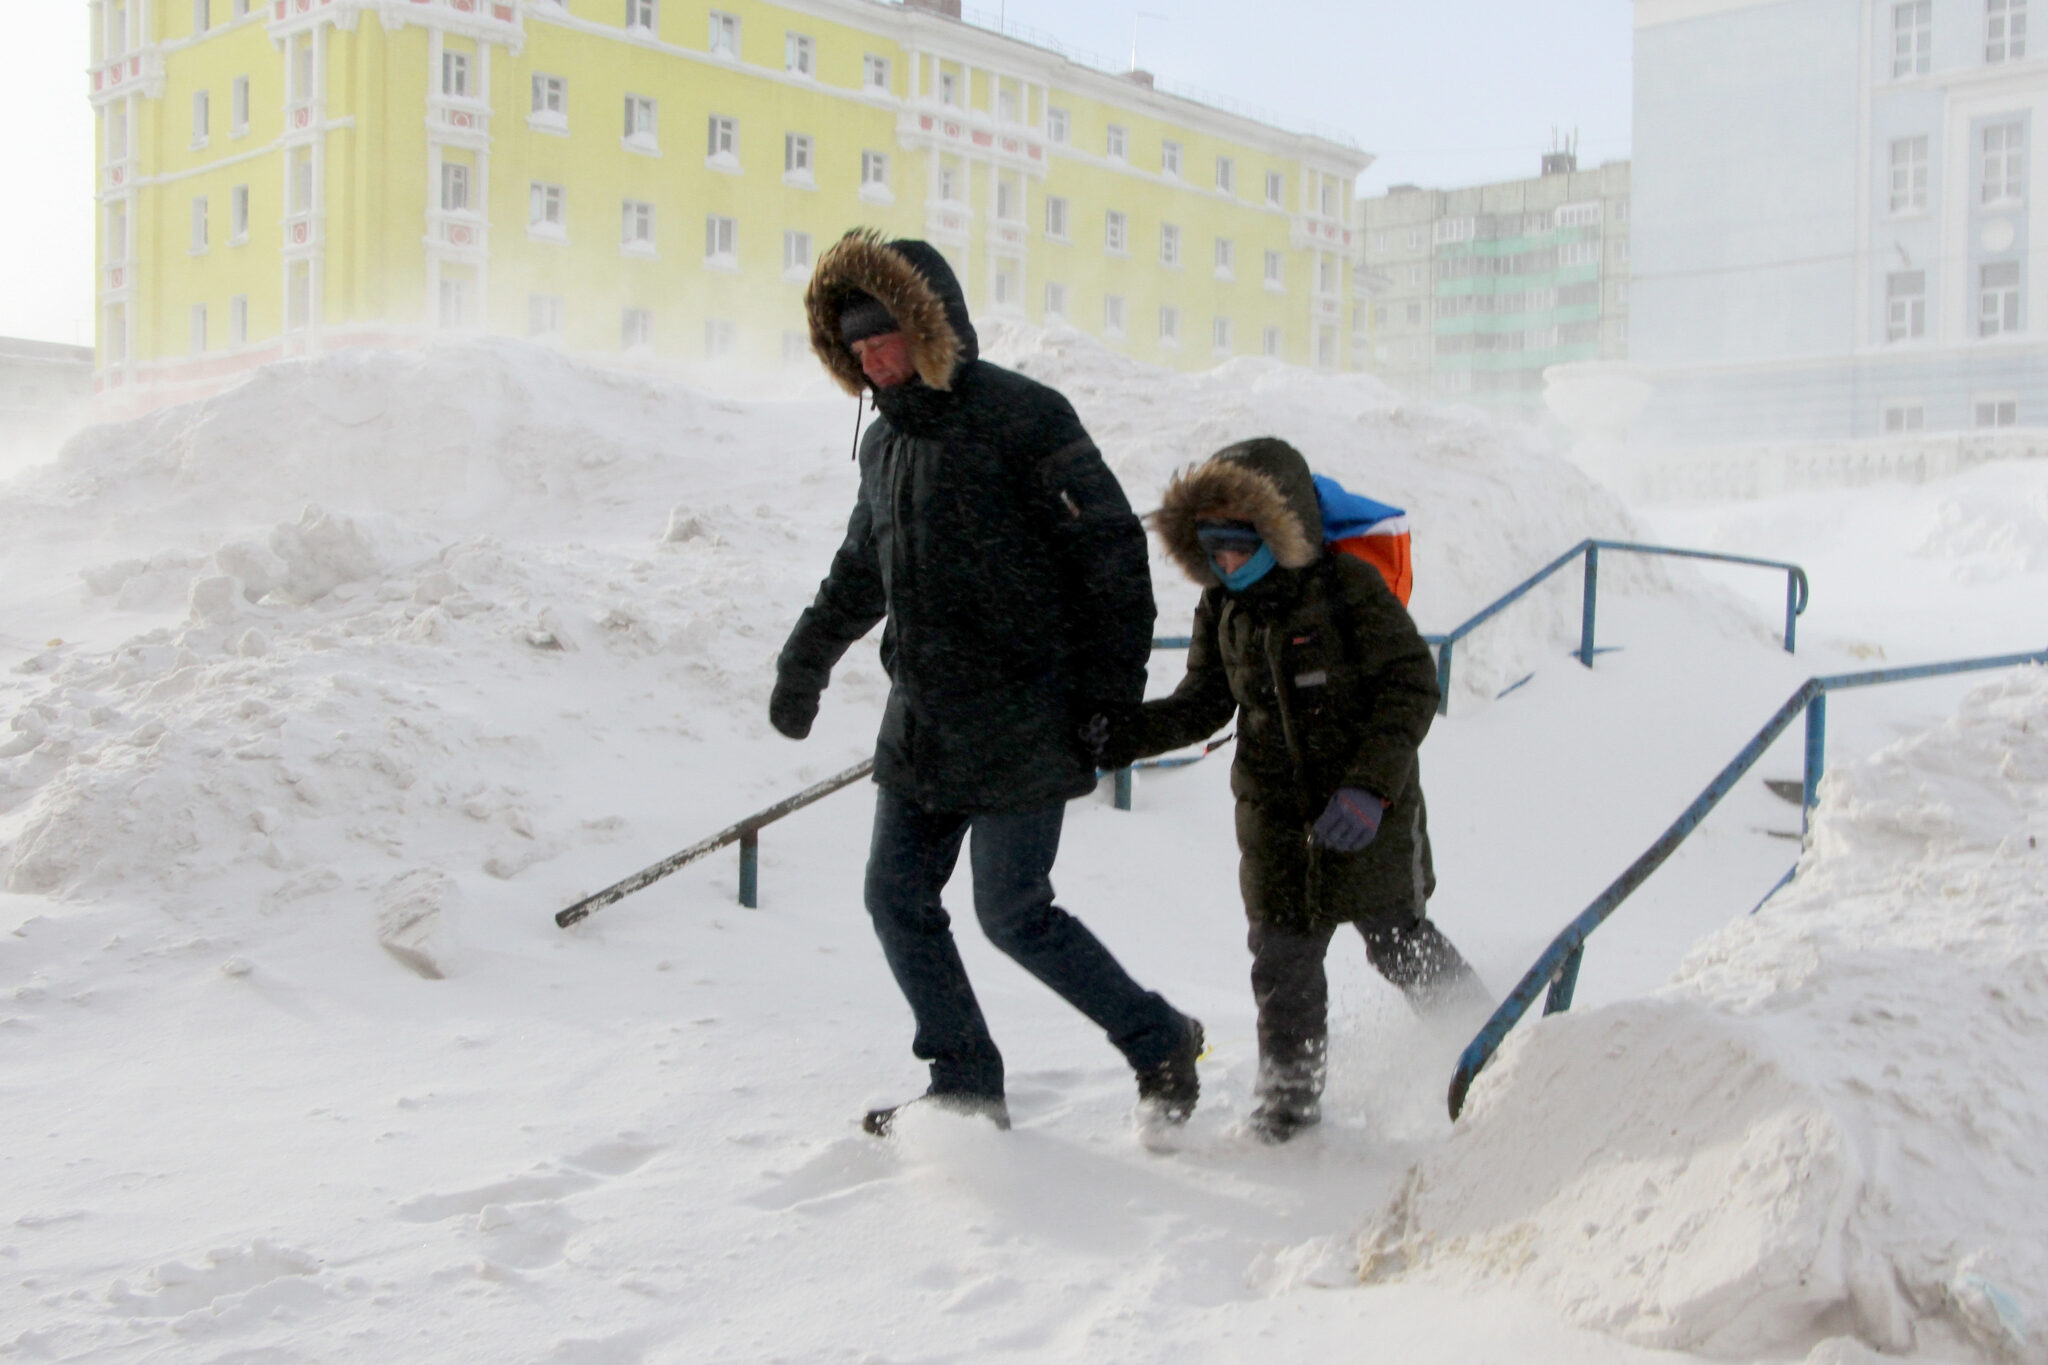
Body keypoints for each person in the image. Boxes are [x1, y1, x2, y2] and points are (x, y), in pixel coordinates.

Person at [771, 228, 1204, 1138]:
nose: (871, 360)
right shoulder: (884, 448)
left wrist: (1109, 700)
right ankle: (964, 1079)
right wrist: (805, 660)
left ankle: (1159, 1038)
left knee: (1013, 912)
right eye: (856, 348)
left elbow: (1112, 556)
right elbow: (862, 568)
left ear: (929, 328)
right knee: (895, 897)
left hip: (1023, 714)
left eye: (883, 338)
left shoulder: (1023, 416)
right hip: (923, 721)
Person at [1128, 437, 1487, 1144]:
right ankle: (1287, 1114)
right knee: (1283, 962)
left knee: (1395, 939)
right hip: (1274, 819)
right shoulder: (1221, 606)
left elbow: (1412, 684)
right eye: (1212, 547)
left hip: (1367, 809)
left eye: (1239, 544)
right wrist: (1116, 735)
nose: (1227, 562)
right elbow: (1204, 702)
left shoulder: (1348, 590)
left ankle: (1490, 1048)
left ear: (1278, 529)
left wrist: (1369, 787)